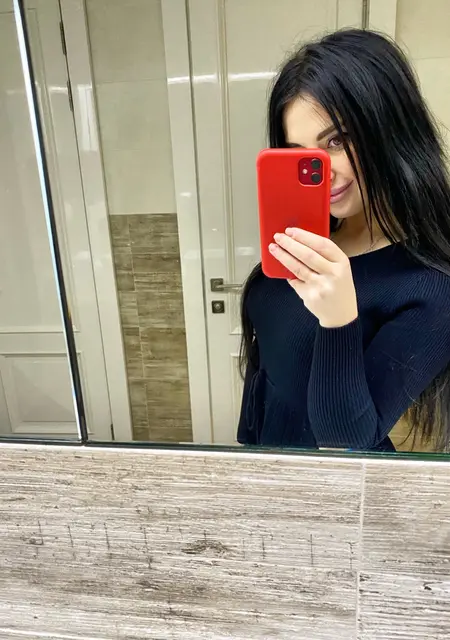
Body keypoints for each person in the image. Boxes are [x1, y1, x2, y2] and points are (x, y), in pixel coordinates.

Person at [237, 28, 450, 453]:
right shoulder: (309, 240)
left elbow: (346, 442)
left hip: (336, 485)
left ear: (391, 130)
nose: (323, 170)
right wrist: (247, 452)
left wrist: (338, 320)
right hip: (268, 469)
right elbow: (265, 376)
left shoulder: (430, 286)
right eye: (300, 151)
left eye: (337, 140)